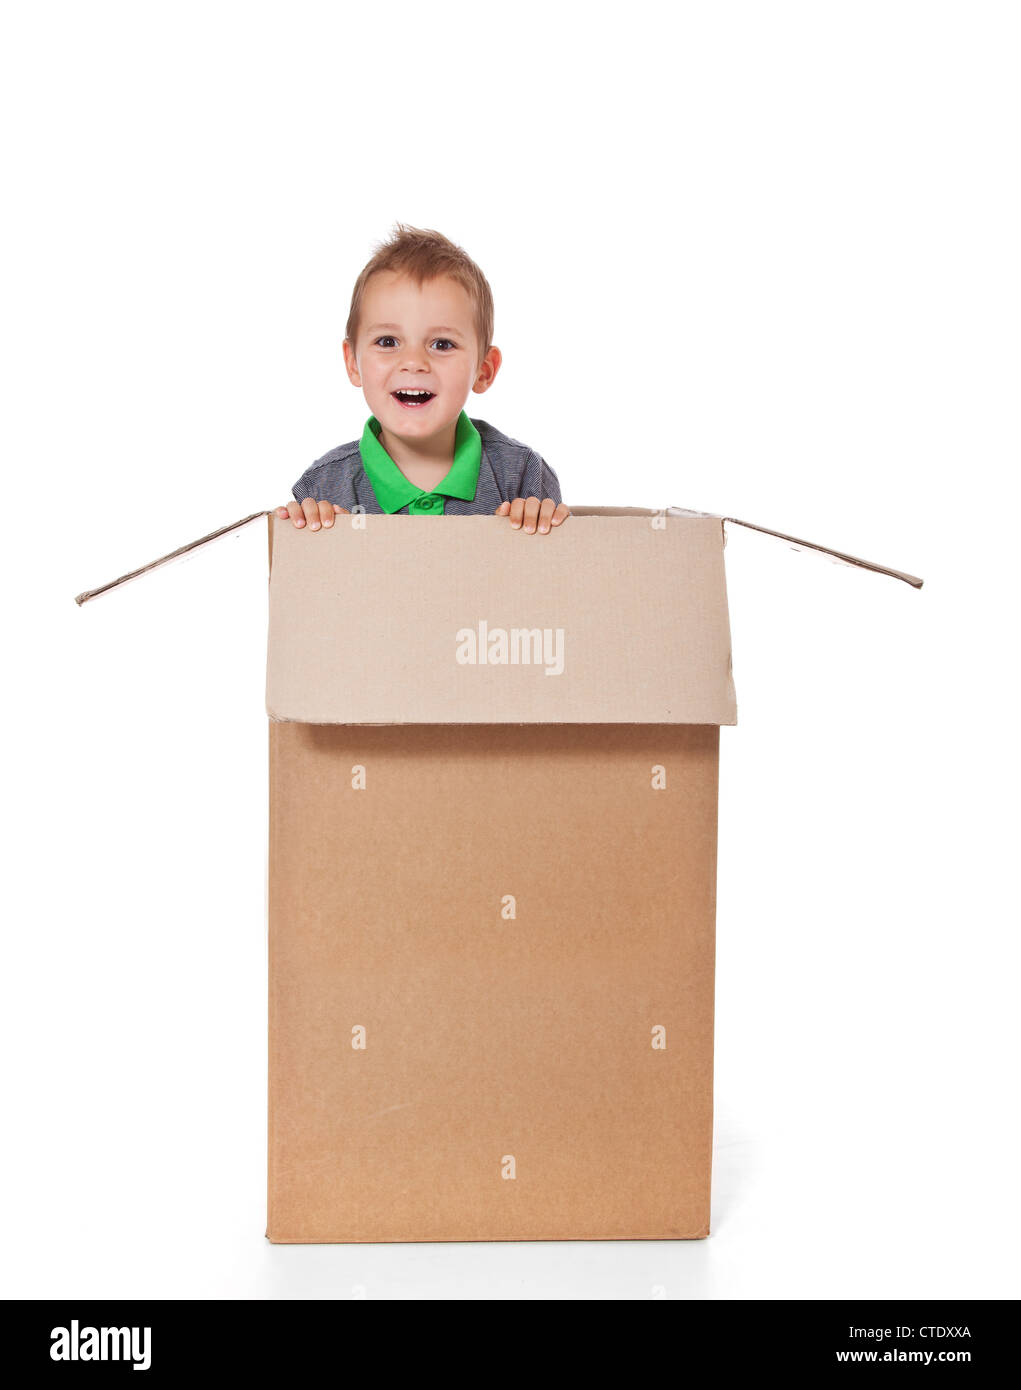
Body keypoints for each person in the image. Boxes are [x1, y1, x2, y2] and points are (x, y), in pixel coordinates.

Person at [276, 224, 570, 537]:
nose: (414, 363)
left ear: (484, 370)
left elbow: (560, 577)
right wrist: (309, 537)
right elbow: (305, 581)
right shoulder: (325, 487)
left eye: (442, 344)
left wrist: (545, 527)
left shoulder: (523, 477)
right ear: (353, 363)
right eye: (388, 341)